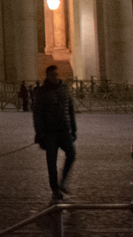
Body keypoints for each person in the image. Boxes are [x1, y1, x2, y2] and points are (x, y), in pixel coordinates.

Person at [32, 65, 78, 200]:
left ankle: (63, 181)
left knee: (72, 154)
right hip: (49, 133)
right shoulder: (41, 92)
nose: (55, 77)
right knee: (51, 162)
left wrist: (74, 128)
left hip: (64, 130)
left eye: (56, 75)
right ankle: (55, 188)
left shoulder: (64, 89)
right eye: (52, 75)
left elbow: (70, 109)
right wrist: (39, 132)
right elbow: (37, 114)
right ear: (47, 76)